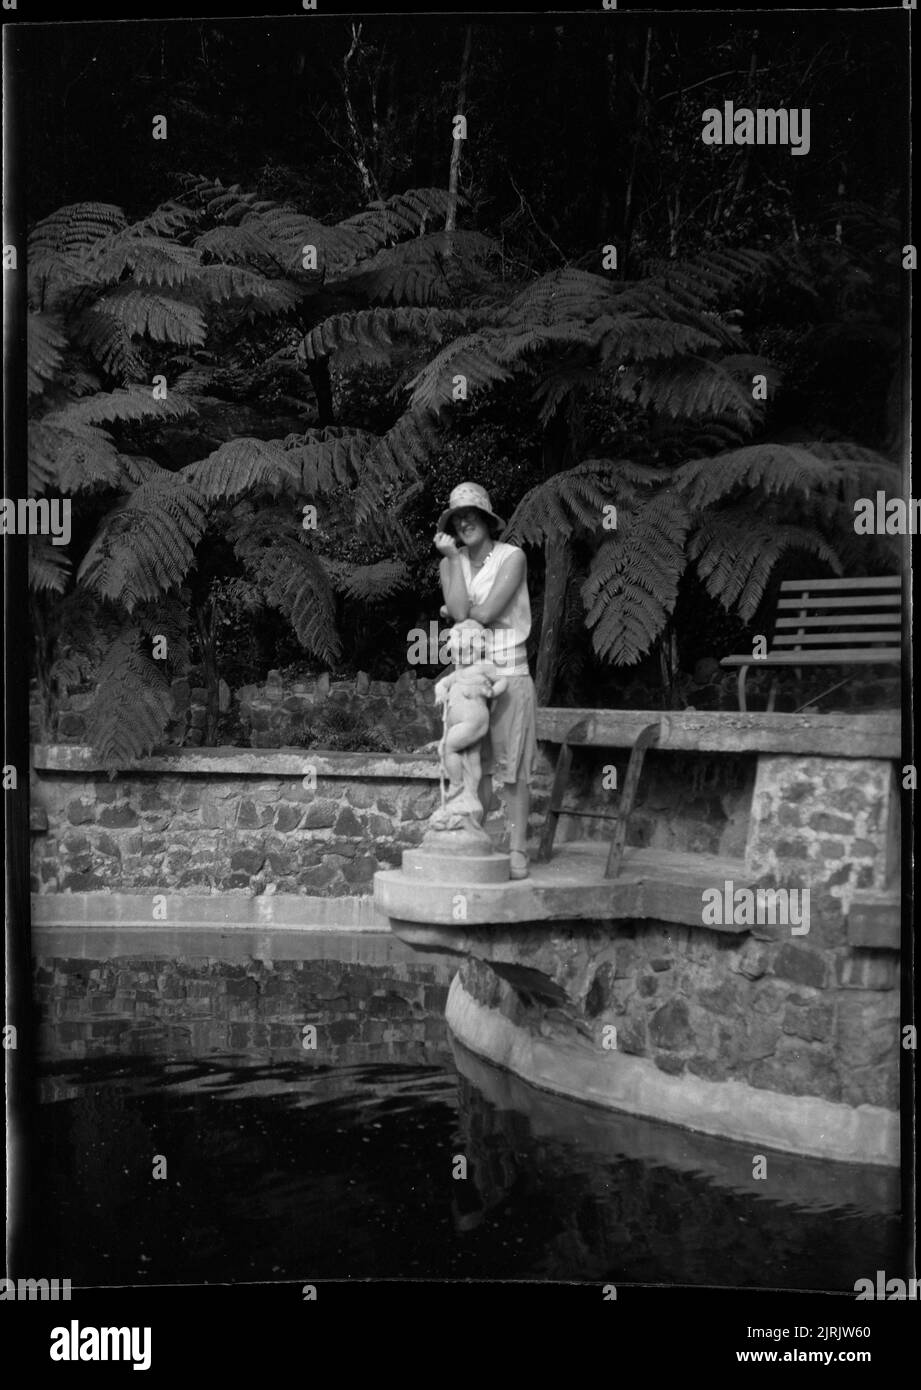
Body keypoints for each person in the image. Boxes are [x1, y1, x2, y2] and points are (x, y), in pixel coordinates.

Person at [433, 482, 537, 879]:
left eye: (471, 515)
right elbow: (462, 612)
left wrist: (459, 610)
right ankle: (475, 842)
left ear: (486, 519)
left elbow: (485, 612)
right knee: (475, 764)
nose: (465, 522)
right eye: (458, 517)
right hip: (468, 681)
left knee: (513, 767)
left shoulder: (512, 557)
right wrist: (452, 562)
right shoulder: (451, 562)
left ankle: (517, 849)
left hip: (508, 674)